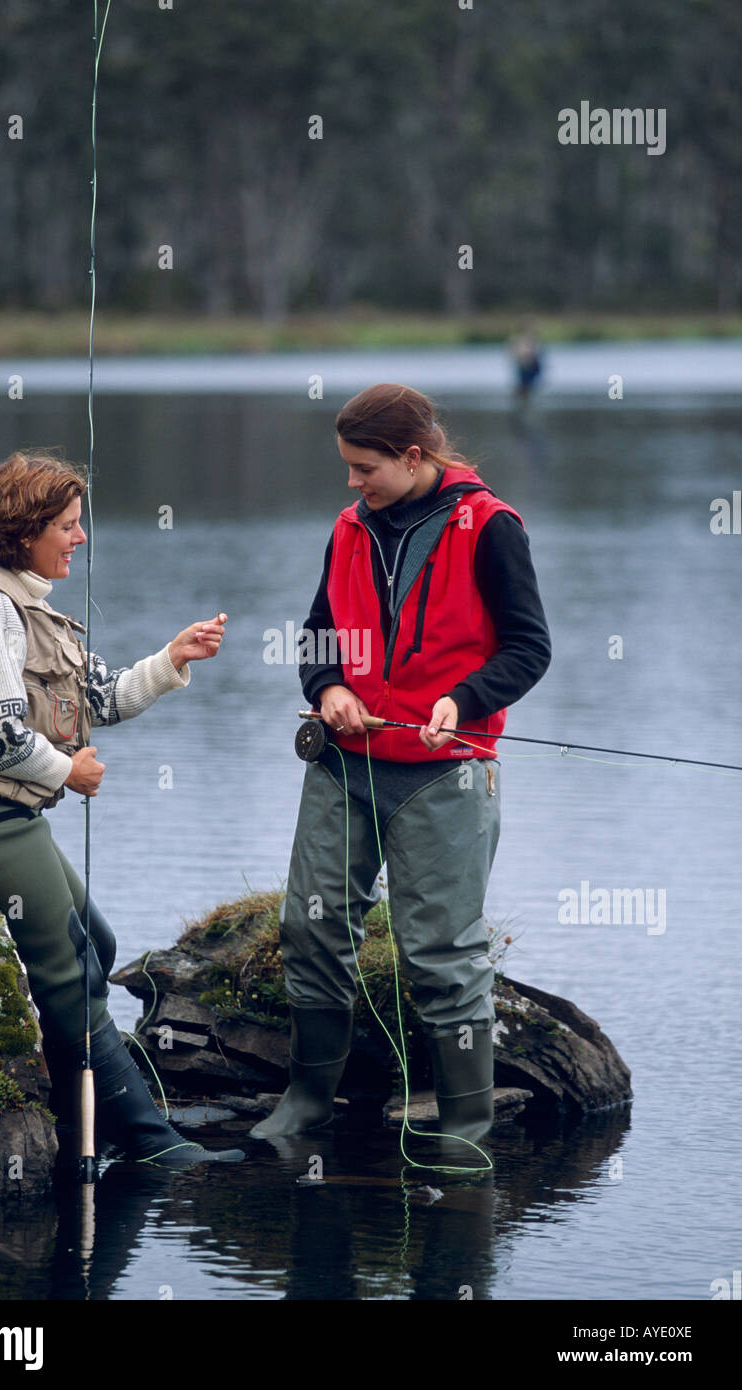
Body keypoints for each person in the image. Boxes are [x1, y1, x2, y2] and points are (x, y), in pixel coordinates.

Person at [0, 450, 243, 1172]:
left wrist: (171, 658)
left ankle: (77, 1115)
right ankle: (149, 1140)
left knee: (98, 943)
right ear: (25, 530)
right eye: (67, 525)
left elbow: (96, 701)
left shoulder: (25, 600)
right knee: (66, 964)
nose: (79, 538)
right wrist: (68, 771)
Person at [251, 385, 551, 1147]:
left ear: (413, 457)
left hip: (444, 773)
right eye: (348, 467)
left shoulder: (490, 527)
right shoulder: (349, 529)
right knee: (310, 928)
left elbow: (529, 647)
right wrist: (330, 687)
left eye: (365, 467)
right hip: (343, 766)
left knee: (442, 954)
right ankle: (309, 1099)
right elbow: (317, 636)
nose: (353, 483)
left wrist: (464, 698)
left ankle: (465, 1124)